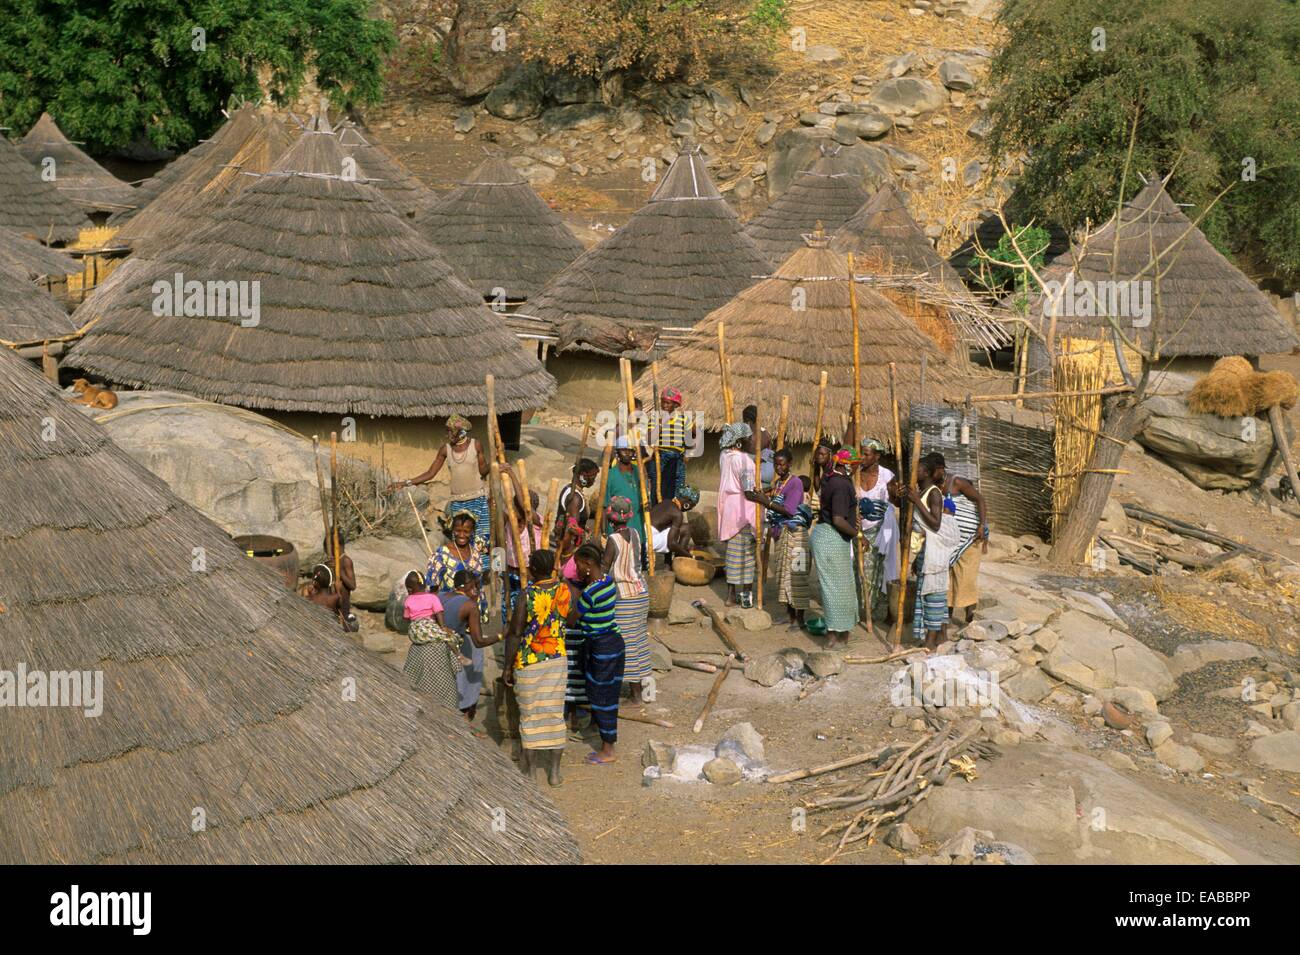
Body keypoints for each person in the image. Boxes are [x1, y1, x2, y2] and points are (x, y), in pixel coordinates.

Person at [503, 549, 572, 786]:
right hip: (556, 659)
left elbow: (515, 632)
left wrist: (507, 667)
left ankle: (530, 772)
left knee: (530, 716)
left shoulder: (527, 594)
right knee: (554, 714)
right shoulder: (564, 590)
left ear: (532, 570)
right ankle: (554, 773)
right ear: (552, 567)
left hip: (529, 662)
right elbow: (570, 619)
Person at [391, 414, 490, 547]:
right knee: (461, 541)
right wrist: (405, 483)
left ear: (461, 432)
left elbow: (483, 471)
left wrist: (495, 466)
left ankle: (482, 568)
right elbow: (430, 473)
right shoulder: (446, 449)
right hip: (457, 503)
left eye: (451, 431)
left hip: (477, 500)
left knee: (481, 541)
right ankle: (463, 568)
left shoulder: (475, 445)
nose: (448, 435)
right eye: (447, 431)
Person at [747, 449, 811, 631]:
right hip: (781, 534)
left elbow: (790, 510)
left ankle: (799, 619)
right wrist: (759, 497)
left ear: (790, 463)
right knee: (785, 576)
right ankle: (790, 616)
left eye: (782, 464)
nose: (779, 467)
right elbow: (774, 501)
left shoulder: (796, 483)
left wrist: (765, 501)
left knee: (796, 576)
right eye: (776, 464)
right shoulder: (779, 483)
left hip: (795, 535)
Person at [573, 542, 624, 764]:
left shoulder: (590, 592)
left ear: (588, 564)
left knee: (603, 695)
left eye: (578, 565)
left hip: (601, 646)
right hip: (614, 642)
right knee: (606, 690)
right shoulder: (608, 582)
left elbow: (572, 618)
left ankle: (608, 749)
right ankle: (598, 726)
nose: (576, 570)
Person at [906, 453, 962, 651]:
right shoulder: (923, 492)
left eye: (918, 469)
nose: (915, 472)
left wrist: (917, 502)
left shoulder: (933, 494)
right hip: (926, 552)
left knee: (933, 597)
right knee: (927, 595)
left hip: (936, 555)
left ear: (927, 472)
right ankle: (935, 638)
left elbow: (935, 524)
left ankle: (930, 641)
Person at [601, 496, 651, 704]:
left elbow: (605, 567)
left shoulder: (614, 540)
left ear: (611, 519)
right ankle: (643, 688)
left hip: (625, 597)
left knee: (627, 644)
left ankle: (636, 694)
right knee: (639, 640)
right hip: (641, 592)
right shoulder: (636, 533)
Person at [811, 447, 859, 648]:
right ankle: (835, 637)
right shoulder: (840, 485)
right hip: (831, 538)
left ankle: (838, 634)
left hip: (825, 536)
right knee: (838, 590)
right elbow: (839, 520)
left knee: (835, 588)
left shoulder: (831, 478)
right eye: (855, 466)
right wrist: (858, 535)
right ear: (848, 466)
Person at [441, 570, 501, 728]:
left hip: (441, 646)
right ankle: (465, 720)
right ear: (470, 586)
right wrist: (502, 635)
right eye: (475, 586)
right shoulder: (469, 604)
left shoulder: (442, 596)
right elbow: (479, 640)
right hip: (464, 641)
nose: (477, 589)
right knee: (467, 680)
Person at [401, 573, 465, 711]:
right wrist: (442, 627)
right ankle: (458, 655)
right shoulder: (432, 597)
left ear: (410, 589)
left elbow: (406, 618)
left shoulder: (408, 600)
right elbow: (439, 613)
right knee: (448, 636)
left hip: (416, 631)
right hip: (429, 626)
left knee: (437, 636)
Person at [855, 439, 896, 626]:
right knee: (859, 568)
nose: (863, 458)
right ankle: (862, 607)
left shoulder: (887, 476)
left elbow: (895, 501)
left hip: (883, 529)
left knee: (882, 567)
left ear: (877, 456)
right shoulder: (855, 475)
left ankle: (876, 607)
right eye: (861, 453)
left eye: (867, 454)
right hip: (858, 530)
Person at [942, 465, 989, 624]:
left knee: (966, 580)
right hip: (949, 541)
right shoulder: (933, 487)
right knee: (948, 580)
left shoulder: (957, 483)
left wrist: (981, 527)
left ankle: (970, 619)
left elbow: (980, 501)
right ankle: (946, 618)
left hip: (970, 540)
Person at [718, 422, 757, 607]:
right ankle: (746, 596)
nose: (753, 441)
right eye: (749, 438)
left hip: (728, 508)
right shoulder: (745, 461)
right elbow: (749, 491)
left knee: (732, 554)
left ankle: (731, 595)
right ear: (740, 442)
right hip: (743, 510)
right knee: (747, 555)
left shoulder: (724, 456)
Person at [426, 510, 488, 624]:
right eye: (458, 531)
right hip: (452, 611)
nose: (461, 535)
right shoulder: (441, 555)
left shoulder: (475, 551)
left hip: (474, 609)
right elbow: (433, 590)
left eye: (466, 531)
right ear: (452, 530)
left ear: (472, 532)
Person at [500, 466, 543, 628]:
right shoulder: (509, 520)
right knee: (509, 615)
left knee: (527, 615)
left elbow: (524, 505)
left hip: (529, 576)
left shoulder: (536, 521)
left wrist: (512, 474)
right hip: (510, 575)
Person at [603, 436, 644, 563]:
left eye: (630, 450)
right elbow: (604, 506)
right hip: (616, 529)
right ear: (617, 452)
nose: (627, 453)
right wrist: (603, 532)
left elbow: (645, 499)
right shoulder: (610, 475)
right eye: (624, 450)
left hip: (637, 527)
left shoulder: (640, 473)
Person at [647, 387, 689, 504]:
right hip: (660, 457)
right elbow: (650, 439)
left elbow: (694, 435)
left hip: (677, 458)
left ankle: (672, 515)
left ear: (675, 405)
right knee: (658, 488)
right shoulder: (655, 419)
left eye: (668, 403)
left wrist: (688, 453)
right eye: (663, 402)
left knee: (676, 489)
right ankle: (657, 513)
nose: (664, 405)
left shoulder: (683, 419)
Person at [648, 483, 699, 567]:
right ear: (687, 503)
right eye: (692, 506)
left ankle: (668, 564)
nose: (690, 509)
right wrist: (690, 556)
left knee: (674, 531)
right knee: (686, 528)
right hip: (650, 541)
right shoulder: (677, 514)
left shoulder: (666, 502)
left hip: (644, 536)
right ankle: (678, 564)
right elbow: (671, 544)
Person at [556, 457, 600, 542]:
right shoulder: (575, 498)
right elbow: (572, 527)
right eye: (593, 477)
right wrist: (585, 535)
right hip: (570, 545)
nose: (594, 481)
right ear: (583, 476)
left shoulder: (569, 489)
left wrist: (585, 528)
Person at [321, 530, 358, 631]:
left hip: (343, 608)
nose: (326, 551)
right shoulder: (331, 561)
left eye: (327, 548)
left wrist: (339, 571)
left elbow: (353, 586)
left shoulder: (346, 561)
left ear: (335, 547)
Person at [743, 404, 775, 486]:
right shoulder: (766, 433)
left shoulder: (746, 434)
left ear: (747, 419)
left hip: (750, 475)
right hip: (764, 476)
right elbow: (769, 453)